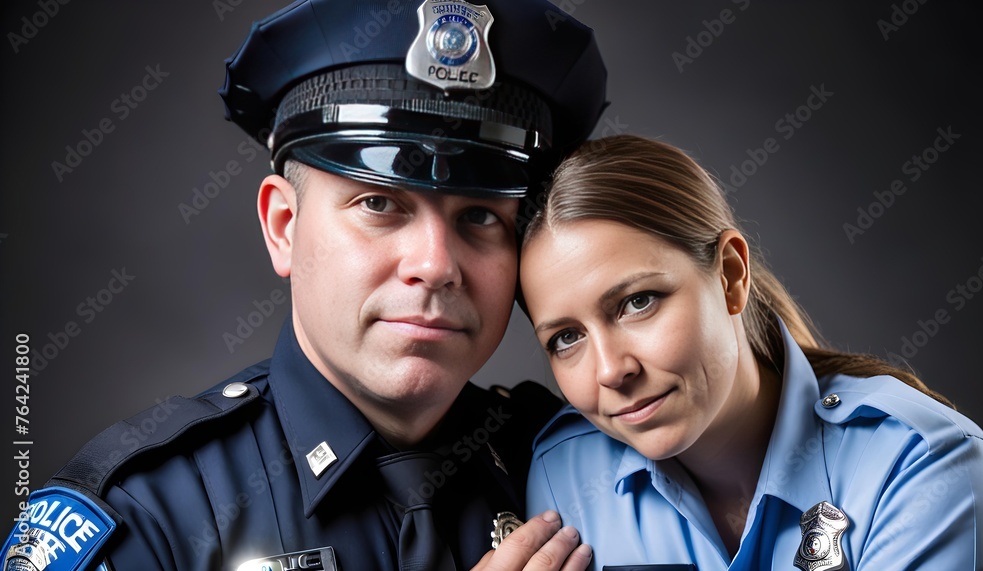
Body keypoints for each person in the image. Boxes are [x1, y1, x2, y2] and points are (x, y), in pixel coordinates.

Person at [2, 1, 608, 569]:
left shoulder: (582, 466)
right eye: (379, 203)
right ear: (283, 227)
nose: (435, 264)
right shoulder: (147, 510)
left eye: (480, 216)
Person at [519, 134, 983, 570]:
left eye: (637, 303)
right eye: (566, 338)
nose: (610, 371)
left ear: (730, 274)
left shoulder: (921, 467)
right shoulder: (564, 473)